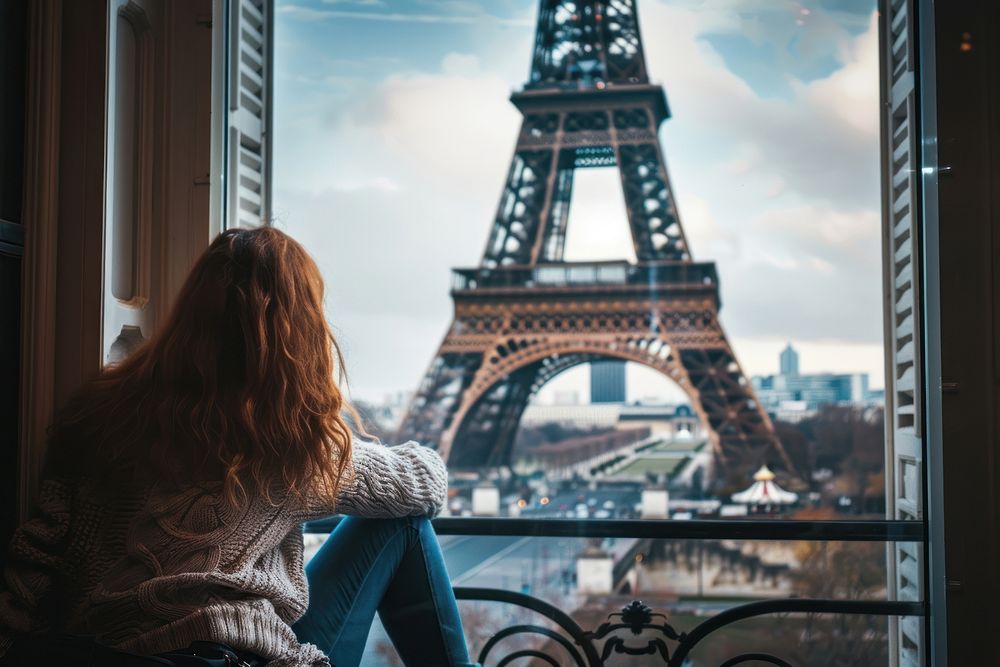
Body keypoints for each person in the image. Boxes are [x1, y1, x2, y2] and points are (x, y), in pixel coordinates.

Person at [0, 227, 475, 667]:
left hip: (101, 653)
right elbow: (425, 483)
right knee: (404, 525)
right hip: (224, 655)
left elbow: (38, 551)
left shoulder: (99, 412)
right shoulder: (287, 442)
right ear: (300, 329)